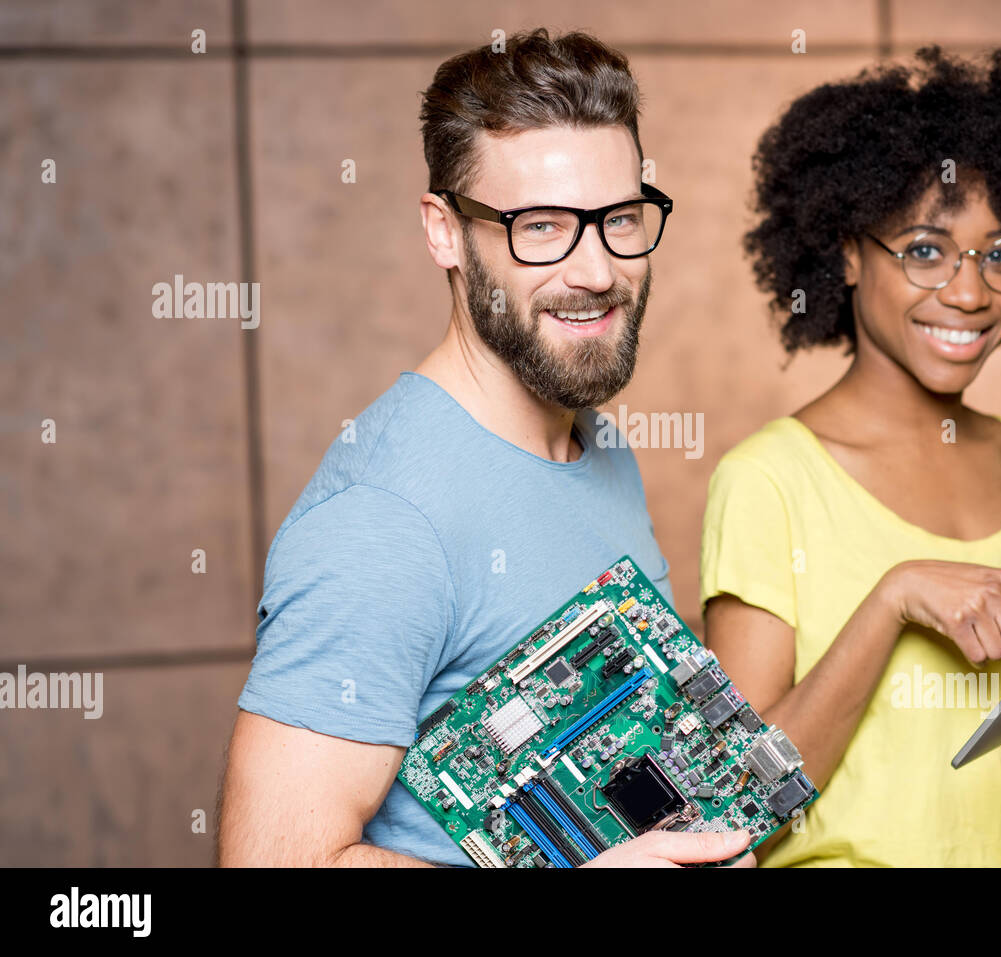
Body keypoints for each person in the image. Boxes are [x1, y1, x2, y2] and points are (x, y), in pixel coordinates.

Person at [218, 28, 752, 868]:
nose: (596, 270)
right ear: (444, 232)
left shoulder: (598, 443)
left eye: (618, 219)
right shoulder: (381, 521)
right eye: (541, 227)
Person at [699, 38, 1001, 867]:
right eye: (926, 249)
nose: (970, 293)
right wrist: (894, 597)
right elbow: (734, 808)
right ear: (845, 250)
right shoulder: (769, 479)